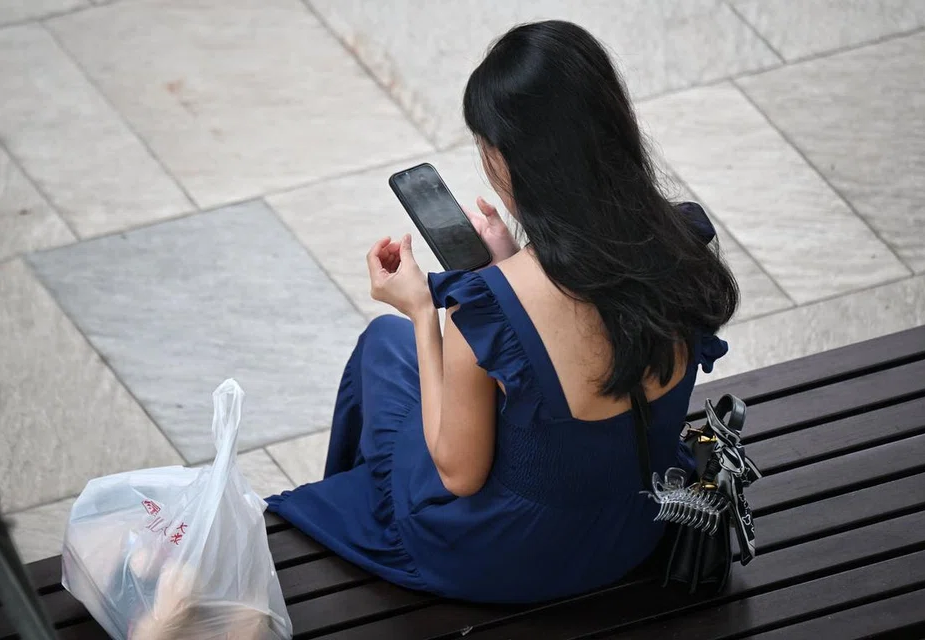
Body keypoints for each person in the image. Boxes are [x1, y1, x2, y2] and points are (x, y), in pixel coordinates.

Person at [266, 19, 739, 604]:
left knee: (385, 346)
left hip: (514, 556)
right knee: (407, 357)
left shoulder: (485, 306)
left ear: (515, 162)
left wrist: (425, 313)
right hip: (632, 529)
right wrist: (513, 263)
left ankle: (361, 504)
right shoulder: (680, 247)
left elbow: (458, 474)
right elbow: (594, 329)